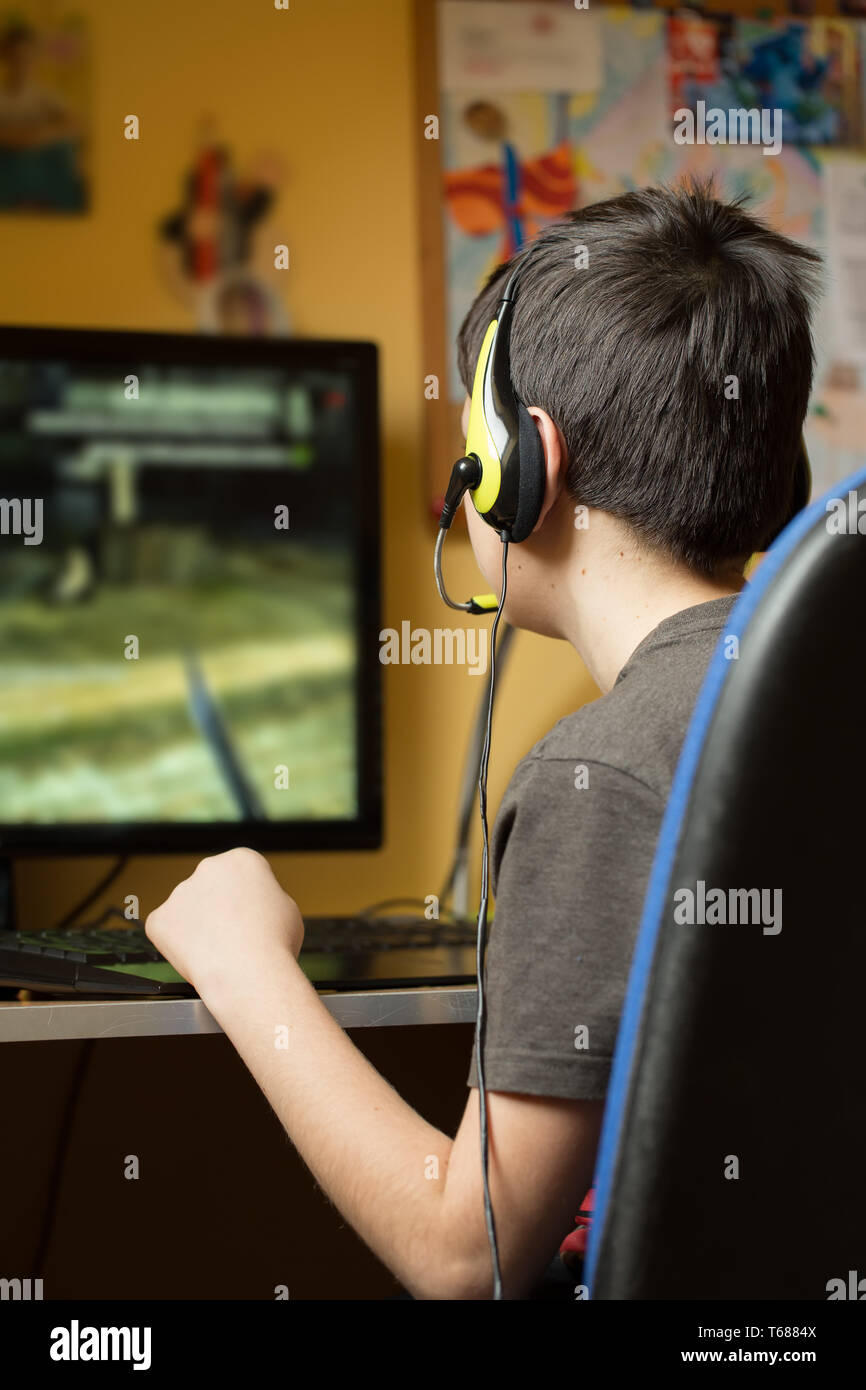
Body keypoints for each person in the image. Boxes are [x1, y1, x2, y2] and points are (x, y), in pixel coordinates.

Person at [145, 179, 820, 1300]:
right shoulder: (810, 696)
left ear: (522, 466)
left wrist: (241, 959)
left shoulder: (600, 770)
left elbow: (470, 1255)